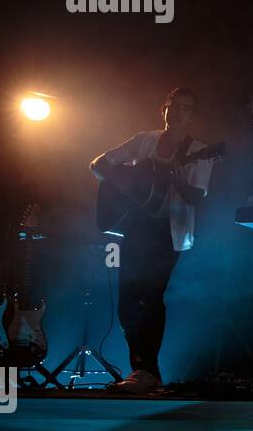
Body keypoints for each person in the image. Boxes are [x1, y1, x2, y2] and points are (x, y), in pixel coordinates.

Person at [90, 87, 215, 393]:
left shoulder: (199, 150)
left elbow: (196, 196)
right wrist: (123, 182)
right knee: (127, 298)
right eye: (174, 105)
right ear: (164, 108)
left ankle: (147, 371)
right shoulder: (145, 140)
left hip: (168, 232)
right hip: (134, 227)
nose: (178, 111)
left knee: (151, 292)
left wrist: (171, 176)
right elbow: (98, 165)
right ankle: (143, 370)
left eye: (186, 108)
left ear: (191, 115)